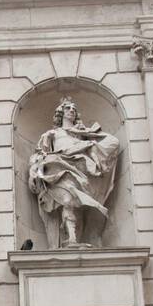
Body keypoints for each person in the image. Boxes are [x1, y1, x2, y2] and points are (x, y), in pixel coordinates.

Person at [28, 97, 120, 247]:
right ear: (61, 113)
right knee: (67, 201)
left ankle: (75, 237)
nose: (71, 110)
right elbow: (40, 154)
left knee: (75, 202)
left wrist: (90, 139)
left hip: (82, 170)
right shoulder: (52, 133)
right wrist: (34, 171)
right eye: (67, 108)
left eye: (74, 109)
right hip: (60, 167)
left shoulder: (82, 134)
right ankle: (71, 240)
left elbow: (113, 142)